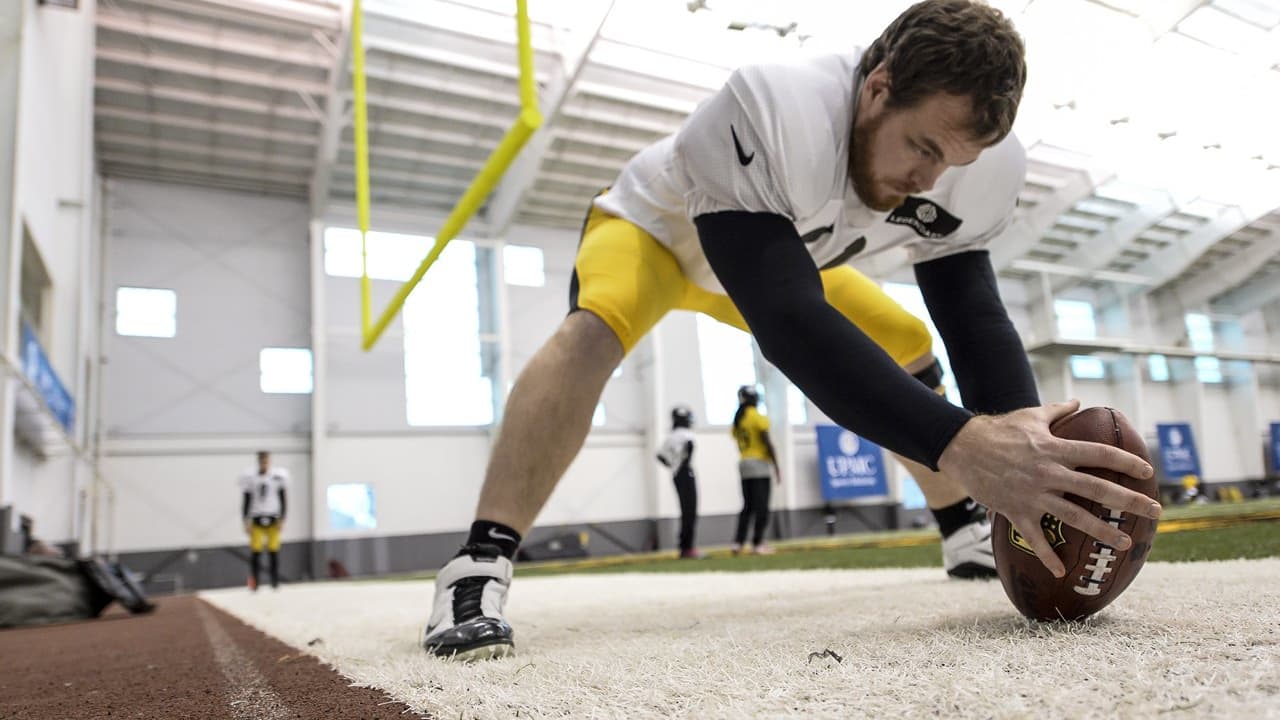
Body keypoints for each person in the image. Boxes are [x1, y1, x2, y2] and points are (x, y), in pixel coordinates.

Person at [423, 0, 1159, 661]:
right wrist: (969, 446)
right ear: (877, 86)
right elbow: (788, 323)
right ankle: (478, 562)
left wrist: (1026, 455)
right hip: (661, 234)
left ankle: (963, 524)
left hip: (792, 252)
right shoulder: (773, 105)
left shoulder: (970, 165)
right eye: (924, 148)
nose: (932, 180)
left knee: (907, 343)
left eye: (955, 161)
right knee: (594, 331)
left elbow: (971, 308)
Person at [730, 386, 779, 555]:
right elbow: (767, 442)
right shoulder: (758, 417)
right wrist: (777, 466)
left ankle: (738, 542)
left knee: (748, 506)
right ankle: (757, 543)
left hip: (744, 464)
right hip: (759, 464)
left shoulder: (738, 420)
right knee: (762, 506)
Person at [655, 404, 702, 559]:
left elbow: (660, 456)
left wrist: (673, 465)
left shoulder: (671, 436)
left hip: (676, 474)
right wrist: (683, 464)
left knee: (685, 511)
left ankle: (684, 547)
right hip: (686, 473)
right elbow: (689, 449)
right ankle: (688, 547)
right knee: (690, 511)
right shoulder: (686, 435)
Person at [239, 451, 288, 591]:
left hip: (273, 518)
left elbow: (283, 499)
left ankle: (274, 582)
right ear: (259, 462)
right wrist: (245, 521)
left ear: (269, 462)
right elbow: (246, 500)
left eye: (266, 461)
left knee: (274, 551)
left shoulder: (277, 478)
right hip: (256, 518)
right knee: (256, 552)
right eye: (262, 461)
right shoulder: (251, 479)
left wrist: (283, 518)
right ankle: (255, 583)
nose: (264, 464)